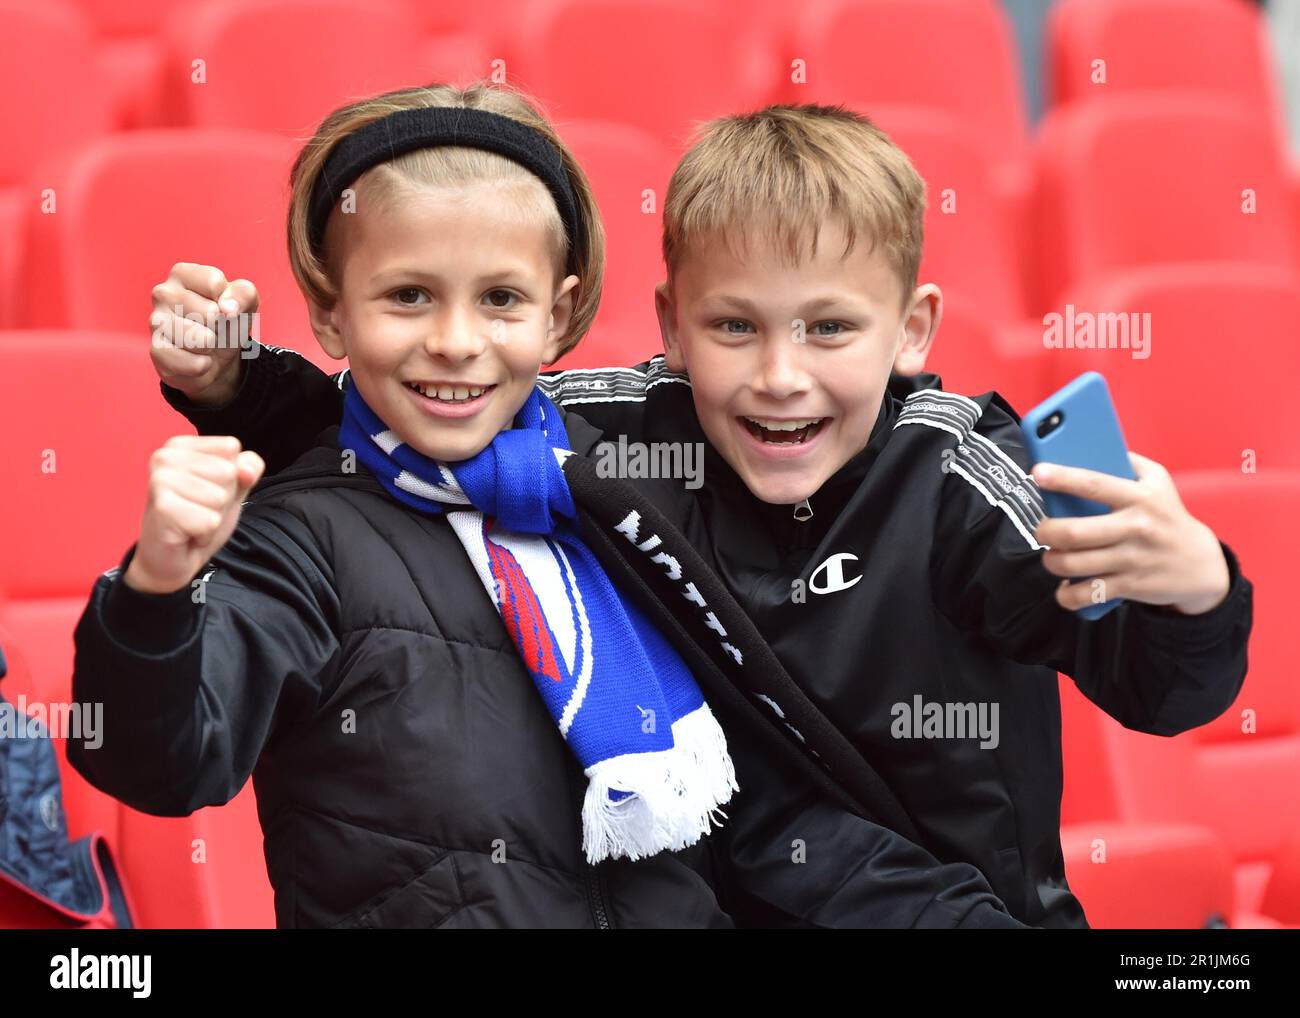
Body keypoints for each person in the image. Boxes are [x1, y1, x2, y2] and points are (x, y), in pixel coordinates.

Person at [159, 101, 1255, 928]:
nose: (781, 376)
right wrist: (241, 386)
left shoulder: (964, 475)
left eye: (830, 328)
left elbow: (1160, 690)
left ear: (911, 329)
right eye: (735, 327)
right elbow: (427, 413)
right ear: (671, 325)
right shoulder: (617, 428)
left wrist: (1192, 588)